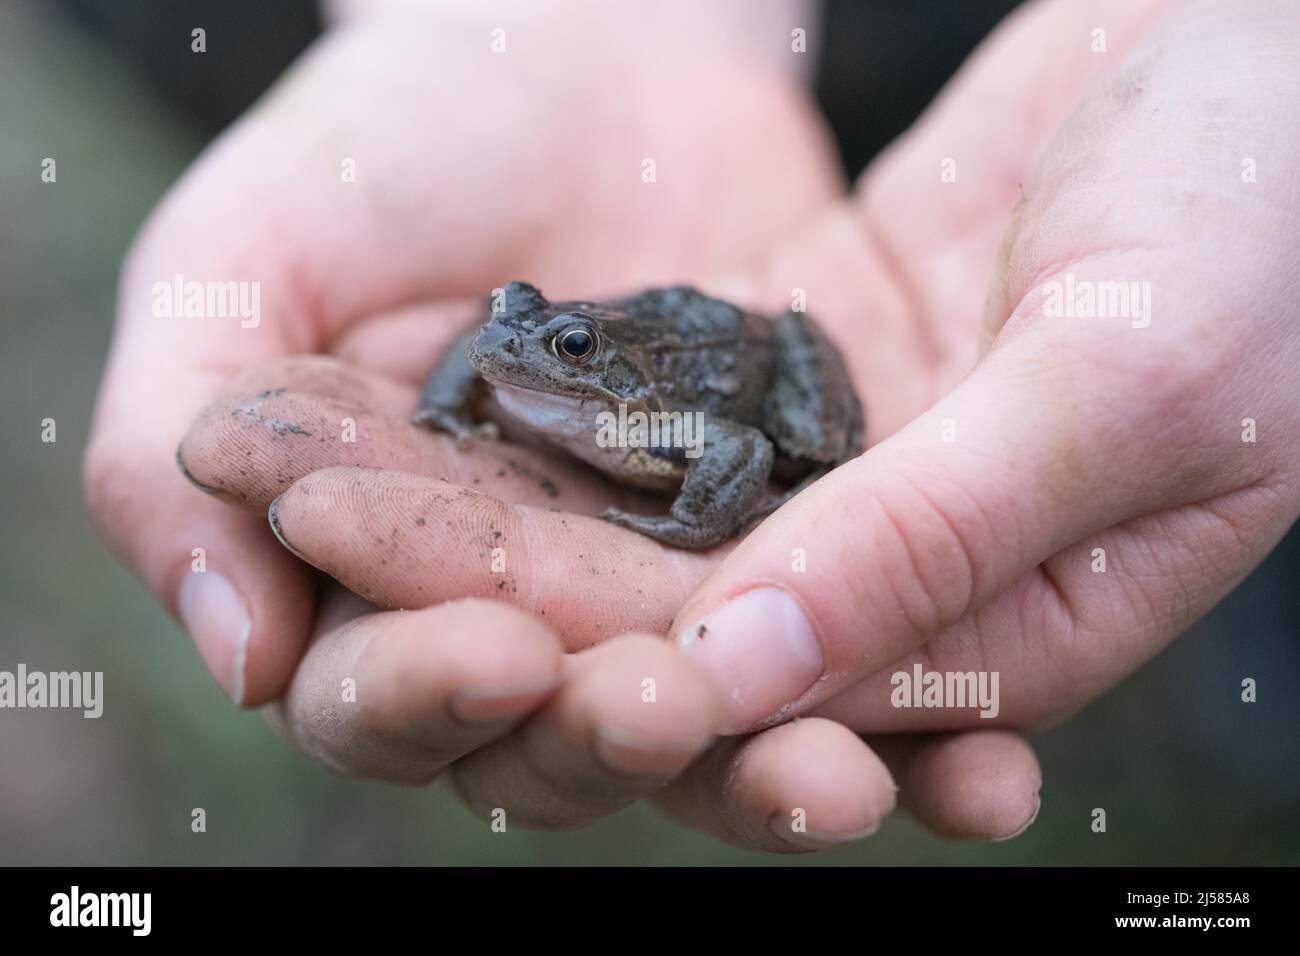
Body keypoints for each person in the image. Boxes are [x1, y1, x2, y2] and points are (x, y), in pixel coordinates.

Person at [85, 0, 1300, 851]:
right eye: (515, 330)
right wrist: (453, 394)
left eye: (549, 348)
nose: (510, 348)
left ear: (593, 370)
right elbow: (486, 338)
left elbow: (737, 449)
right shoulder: (522, 354)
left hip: (747, 351)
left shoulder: (656, 416)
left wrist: (682, 528)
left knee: (827, 447)